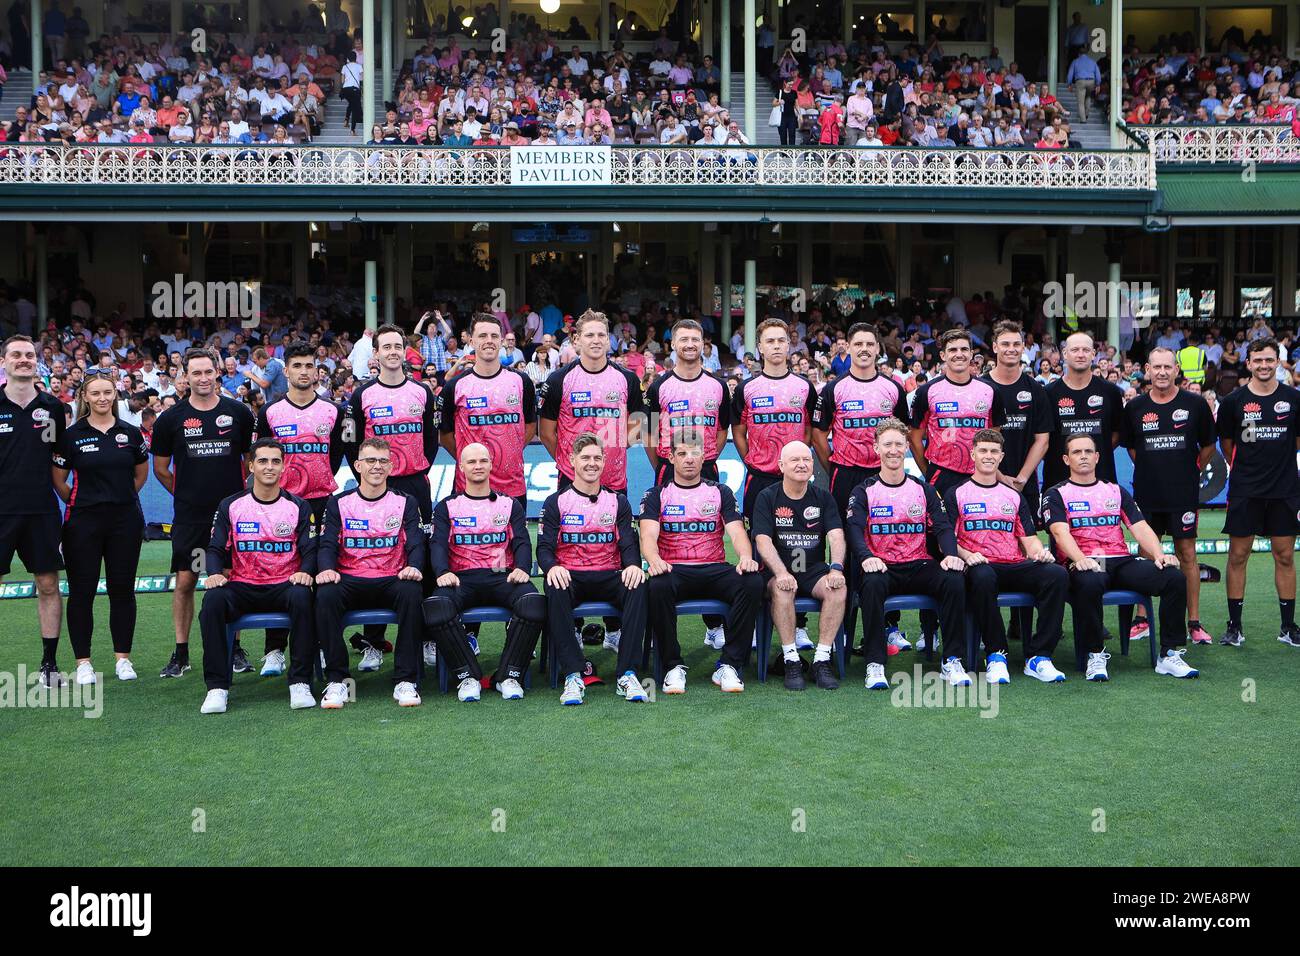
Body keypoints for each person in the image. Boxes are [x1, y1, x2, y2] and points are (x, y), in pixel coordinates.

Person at [1042, 433, 1198, 681]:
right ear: (1065, 459)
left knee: (1173, 577)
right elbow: (1060, 533)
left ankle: (1168, 654)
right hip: (1085, 561)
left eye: (1088, 452)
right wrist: (1080, 559)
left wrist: (1160, 554)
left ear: (1097, 457)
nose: (1083, 456)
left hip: (1120, 561)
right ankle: (1095, 654)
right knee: (1089, 582)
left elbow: (1140, 527)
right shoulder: (1056, 493)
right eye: (1076, 452)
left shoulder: (1115, 491)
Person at [538, 309, 643, 650]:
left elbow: (639, 421)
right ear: (577, 339)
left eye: (602, 335)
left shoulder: (626, 378)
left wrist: (614, 449)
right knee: (570, 550)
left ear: (609, 339)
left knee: (614, 551)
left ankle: (614, 629)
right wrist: (572, 463)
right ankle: (576, 627)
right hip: (571, 481)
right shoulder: (560, 379)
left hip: (615, 479)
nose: (596, 341)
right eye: (590, 335)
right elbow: (547, 430)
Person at [151, 347, 255, 679]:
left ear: (217, 374)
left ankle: (234, 648)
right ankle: (181, 653)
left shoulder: (239, 413)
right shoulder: (171, 419)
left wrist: (239, 500)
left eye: (208, 372)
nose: (203, 378)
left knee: (230, 579)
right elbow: (161, 469)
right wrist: (185, 495)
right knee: (185, 580)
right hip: (191, 516)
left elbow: (247, 462)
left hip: (232, 516)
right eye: (196, 373)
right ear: (186, 377)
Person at [846, 418, 970, 691]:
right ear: (876, 447)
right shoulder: (864, 490)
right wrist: (867, 556)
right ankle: (875, 663)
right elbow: (853, 530)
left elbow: (943, 526)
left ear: (906, 447)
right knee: (873, 583)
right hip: (882, 566)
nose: (893, 450)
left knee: (953, 578)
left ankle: (952, 660)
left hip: (918, 564)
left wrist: (950, 554)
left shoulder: (922, 489)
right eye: (887, 444)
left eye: (899, 444)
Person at [196, 439, 318, 714]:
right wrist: (214, 573)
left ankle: (299, 682)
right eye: (262, 461)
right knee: (213, 601)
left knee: (304, 597)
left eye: (275, 461)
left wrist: (304, 572)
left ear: (284, 467)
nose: (269, 467)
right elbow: (215, 548)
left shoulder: (298, 506)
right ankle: (217, 687)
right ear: (250, 466)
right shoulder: (231, 505)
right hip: (243, 586)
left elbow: (310, 550)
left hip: (284, 585)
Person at [639, 429, 764, 695]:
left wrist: (745, 557)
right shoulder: (656, 495)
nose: (689, 459)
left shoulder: (720, 491)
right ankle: (672, 665)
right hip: (674, 569)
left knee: (753, 582)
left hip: (714, 568)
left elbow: (736, 530)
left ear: (704, 456)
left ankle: (729, 664)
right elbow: (648, 535)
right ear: (671, 457)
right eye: (682, 453)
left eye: (695, 453)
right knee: (656, 586)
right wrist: (654, 559)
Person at [944, 430, 1070, 684]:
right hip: (979, 565)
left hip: (1013, 564)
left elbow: (1028, 539)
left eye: (993, 451)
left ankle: (1039, 657)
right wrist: (968, 556)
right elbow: (947, 540)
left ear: (1001, 456)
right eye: (983, 450)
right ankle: (996, 655)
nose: (988, 456)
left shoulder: (1013, 496)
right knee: (983, 576)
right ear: (973, 454)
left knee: (1056, 574)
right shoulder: (956, 493)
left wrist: (1039, 552)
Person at [425, 443, 545, 702]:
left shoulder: (509, 504)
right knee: (436, 606)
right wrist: (442, 571)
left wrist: (522, 568)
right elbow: (437, 544)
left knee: (533, 603)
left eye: (482, 461)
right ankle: (467, 676)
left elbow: (522, 541)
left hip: (501, 575)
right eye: (471, 462)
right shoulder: (447, 506)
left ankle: (509, 676)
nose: (477, 466)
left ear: (491, 464)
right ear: (461, 467)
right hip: (461, 578)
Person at [253, 341, 346, 674]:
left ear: (317, 372)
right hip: (281, 503)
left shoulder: (333, 411)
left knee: (320, 573)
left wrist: (317, 479)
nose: (304, 372)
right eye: (298, 366)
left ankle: (320, 645)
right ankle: (275, 648)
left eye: (310, 366)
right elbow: (262, 455)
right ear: (287, 370)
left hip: (321, 501)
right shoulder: (270, 413)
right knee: (277, 568)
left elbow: (335, 456)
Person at [536, 433, 649, 705]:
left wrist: (633, 565)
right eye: (585, 457)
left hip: (609, 575)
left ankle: (627, 674)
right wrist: (551, 567)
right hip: (571, 576)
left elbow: (629, 544)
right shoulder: (556, 502)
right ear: (572, 460)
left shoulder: (618, 501)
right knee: (554, 584)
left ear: (604, 461)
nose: (591, 463)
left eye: (597, 458)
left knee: (639, 583)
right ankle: (573, 675)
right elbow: (543, 548)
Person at [349, 323, 438, 664]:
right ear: (376, 354)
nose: (392, 352)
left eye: (397, 346)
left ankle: (428, 638)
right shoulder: (362, 395)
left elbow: (431, 438)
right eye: (385, 347)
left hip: (415, 483)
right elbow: (351, 441)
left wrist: (420, 465)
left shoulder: (422, 393)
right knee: (375, 557)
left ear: (405, 351)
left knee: (424, 555)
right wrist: (369, 473)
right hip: (375, 485)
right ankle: (373, 642)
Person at [51, 370, 148, 685]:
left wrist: (118, 499)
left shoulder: (131, 433)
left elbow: (140, 475)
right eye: (96, 393)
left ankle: (123, 659)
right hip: (83, 522)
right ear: (85, 397)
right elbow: (59, 481)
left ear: (115, 395)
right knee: (82, 592)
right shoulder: (71, 434)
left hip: (125, 520)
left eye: (108, 392)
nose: (103, 398)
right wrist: (83, 503)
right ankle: (83, 663)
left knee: (122, 589)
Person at [315, 437, 427, 707]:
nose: (377, 466)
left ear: (391, 467)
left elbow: (416, 540)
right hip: (351, 578)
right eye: (370, 461)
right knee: (325, 594)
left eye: (382, 461)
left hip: (391, 578)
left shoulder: (406, 502)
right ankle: (337, 681)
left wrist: (413, 565)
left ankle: (405, 680)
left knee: (412, 592)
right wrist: (327, 569)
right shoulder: (339, 503)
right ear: (357, 466)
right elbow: (328, 542)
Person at [1118, 347, 1217, 645]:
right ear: (1147, 370)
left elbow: (1208, 446)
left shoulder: (1195, 404)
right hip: (1148, 493)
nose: (1162, 372)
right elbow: (1132, 448)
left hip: (1183, 493)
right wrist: (1152, 468)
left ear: (1176, 370)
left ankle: (1194, 623)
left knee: (1187, 554)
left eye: (1167, 367)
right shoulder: (1135, 407)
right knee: (1148, 554)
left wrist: (1188, 469)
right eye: (1156, 367)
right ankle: (1142, 618)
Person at [643, 318, 732, 647]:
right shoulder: (658, 387)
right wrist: (666, 464)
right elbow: (647, 433)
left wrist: (706, 458)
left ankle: (714, 625)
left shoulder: (718, 386)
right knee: (666, 536)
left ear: (703, 344)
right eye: (684, 340)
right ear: (673, 345)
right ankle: (662, 626)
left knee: (710, 538)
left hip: (707, 468)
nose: (690, 345)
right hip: (668, 469)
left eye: (695, 339)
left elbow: (723, 431)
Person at [1216, 338, 1300, 648]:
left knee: (1285, 556)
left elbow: (1297, 442)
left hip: (1284, 489)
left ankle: (1288, 627)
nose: (1263, 365)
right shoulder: (1233, 402)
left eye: (1269, 360)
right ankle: (1234, 627)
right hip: (1246, 490)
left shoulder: (1294, 399)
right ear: (1248, 364)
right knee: (1238, 556)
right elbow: (1227, 446)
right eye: (1257, 361)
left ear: (1278, 362)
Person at [751, 440, 847, 691]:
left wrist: (836, 567)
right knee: (783, 589)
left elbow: (836, 535)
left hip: (814, 570)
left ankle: (821, 658)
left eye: (806, 460)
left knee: (838, 588)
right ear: (781, 465)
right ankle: (791, 659)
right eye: (795, 460)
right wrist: (781, 572)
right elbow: (762, 541)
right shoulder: (767, 496)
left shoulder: (823, 497)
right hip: (779, 570)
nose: (802, 464)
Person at [0, 335, 67, 687]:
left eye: (29, 355)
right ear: (4, 361)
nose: (23, 360)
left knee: (47, 584)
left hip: (41, 511)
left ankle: (49, 666)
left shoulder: (52, 407)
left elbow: (61, 459)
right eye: (16, 355)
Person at [811, 322, 908, 520]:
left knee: (884, 534)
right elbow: (818, 435)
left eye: (869, 344)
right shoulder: (834, 389)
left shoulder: (893, 389)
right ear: (848, 347)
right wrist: (835, 467)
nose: (864, 349)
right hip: (845, 473)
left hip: (883, 471)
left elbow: (905, 432)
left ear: (877, 348)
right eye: (858, 344)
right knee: (845, 536)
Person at [438, 313, 537, 508]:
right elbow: (446, 435)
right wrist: (468, 460)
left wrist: (512, 450)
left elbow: (531, 425)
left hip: (513, 486)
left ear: (501, 341)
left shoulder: (521, 381)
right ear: (472, 341)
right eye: (483, 336)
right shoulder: (455, 386)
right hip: (468, 486)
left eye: (494, 336)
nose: (489, 341)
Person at [910, 328, 1005, 497]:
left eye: (964, 349)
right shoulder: (927, 391)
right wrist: (929, 473)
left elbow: (994, 437)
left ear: (971, 354)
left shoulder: (990, 391)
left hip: (979, 474)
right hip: (941, 474)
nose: (959, 354)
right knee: (942, 524)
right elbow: (915, 439)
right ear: (943, 355)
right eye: (952, 350)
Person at [980, 320, 1052, 514]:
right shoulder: (979, 388)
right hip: (984, 481)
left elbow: (1042, 440)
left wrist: (1021, 479)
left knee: (1025, 543)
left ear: (1023, 348)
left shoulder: (1036, 389)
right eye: (1005, 344)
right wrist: (999, 476)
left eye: (1016, 344)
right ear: (995, 347)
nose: (1011, 349)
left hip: (1024, 485)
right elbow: (972, 439)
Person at [1043, 331, 1123, 491]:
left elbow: (1117, 433)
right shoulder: (1048, 393)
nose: (1080, 355)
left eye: (1086, 350)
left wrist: (1095, 452)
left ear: (1094, 354)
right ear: (1065, 354)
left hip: (1102, 481)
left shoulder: (1111, 392)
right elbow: (1041, 439)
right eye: (1075, 350)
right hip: (1058, 482)